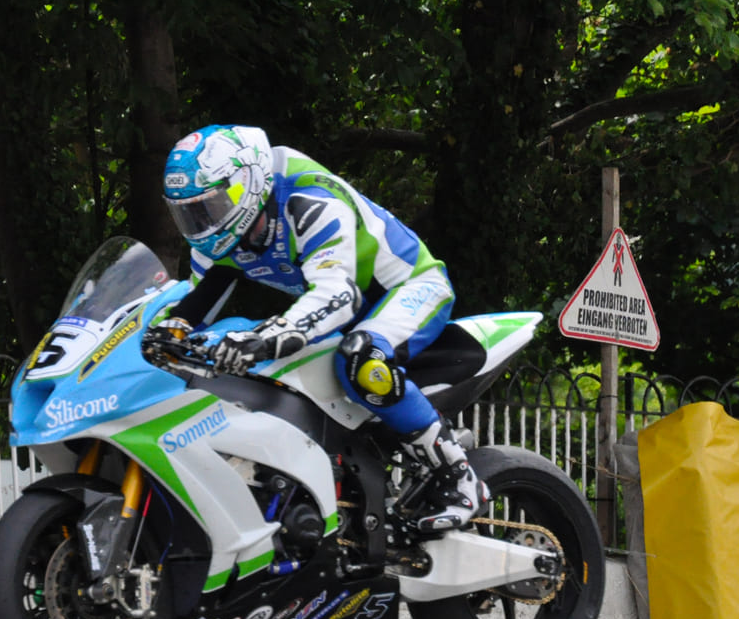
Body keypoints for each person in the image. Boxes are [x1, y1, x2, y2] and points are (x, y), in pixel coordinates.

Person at [146, 124, 488, 532]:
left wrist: (267, 338)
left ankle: (459, 475)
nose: (200, 224)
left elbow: (336, 294)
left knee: (362, 358)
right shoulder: (219, 239)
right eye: (189, 213)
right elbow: (196, 304)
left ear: (248, 184)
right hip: (347, 308)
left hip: (410, 287)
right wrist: (165, 333)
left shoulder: (309, 197)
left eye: (211, 207)